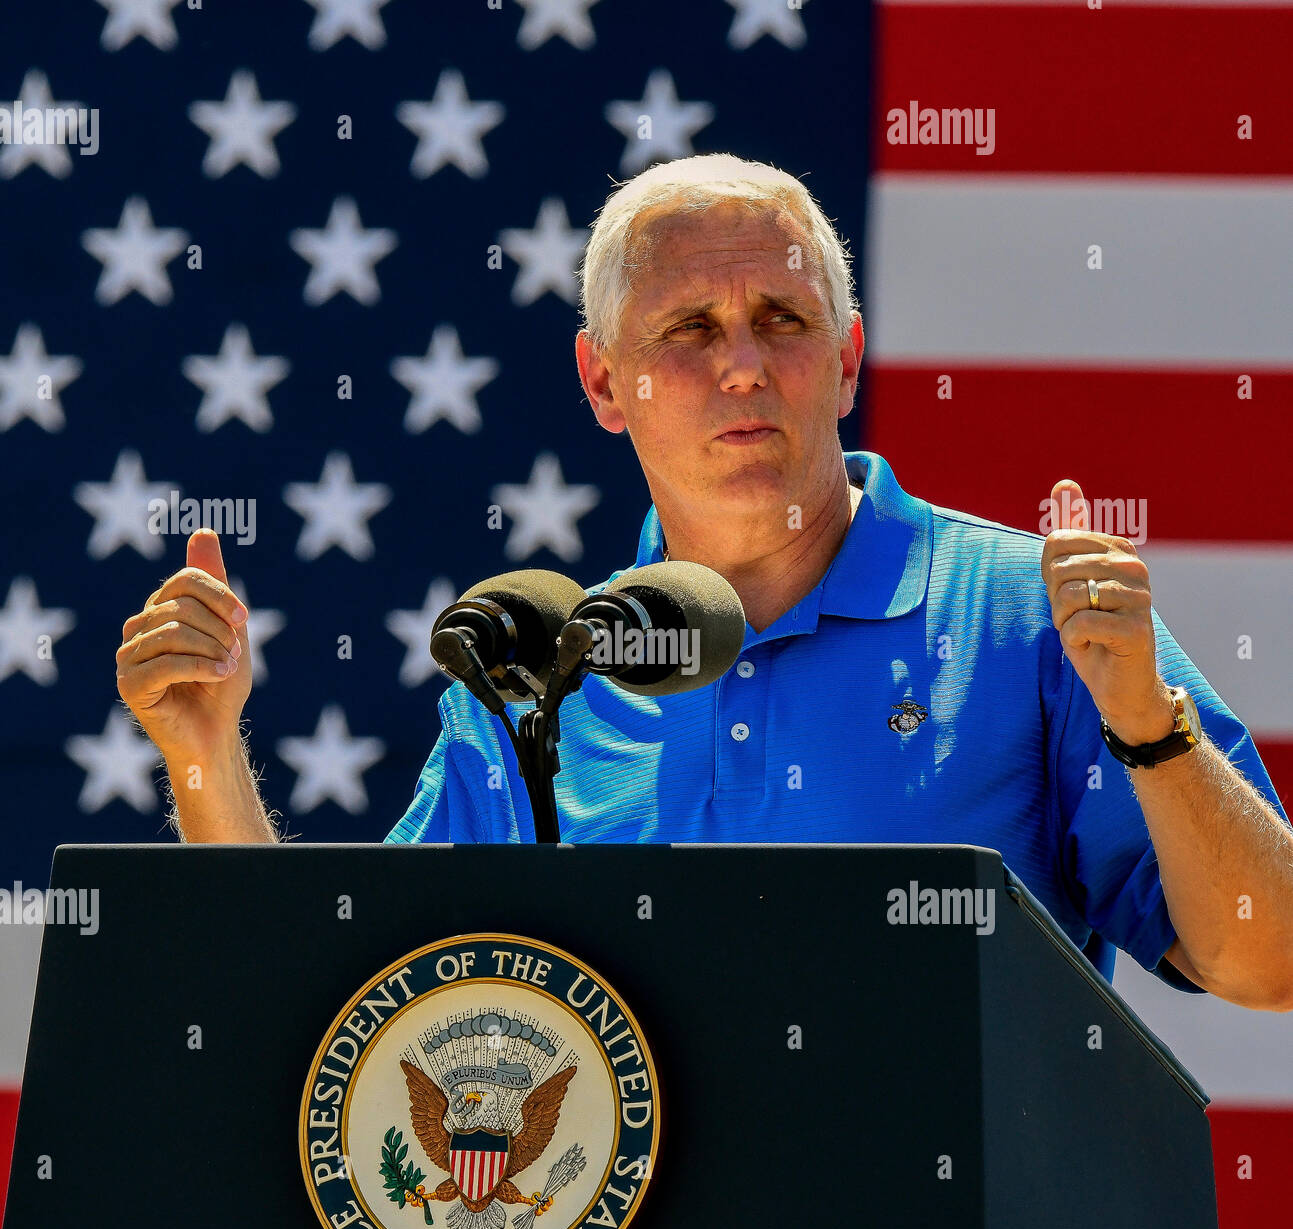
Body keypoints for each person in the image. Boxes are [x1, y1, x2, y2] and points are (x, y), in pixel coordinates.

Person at [116, 154, 1293, 1011]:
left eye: (781, 319)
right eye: (687, 329)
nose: (740, 363)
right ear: (603, 382)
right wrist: (205, 752)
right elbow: (341, 1013)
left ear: (844, 362)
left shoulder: (1026, 613)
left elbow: (1264, 961)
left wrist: (1147, 723)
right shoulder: (534, 679)